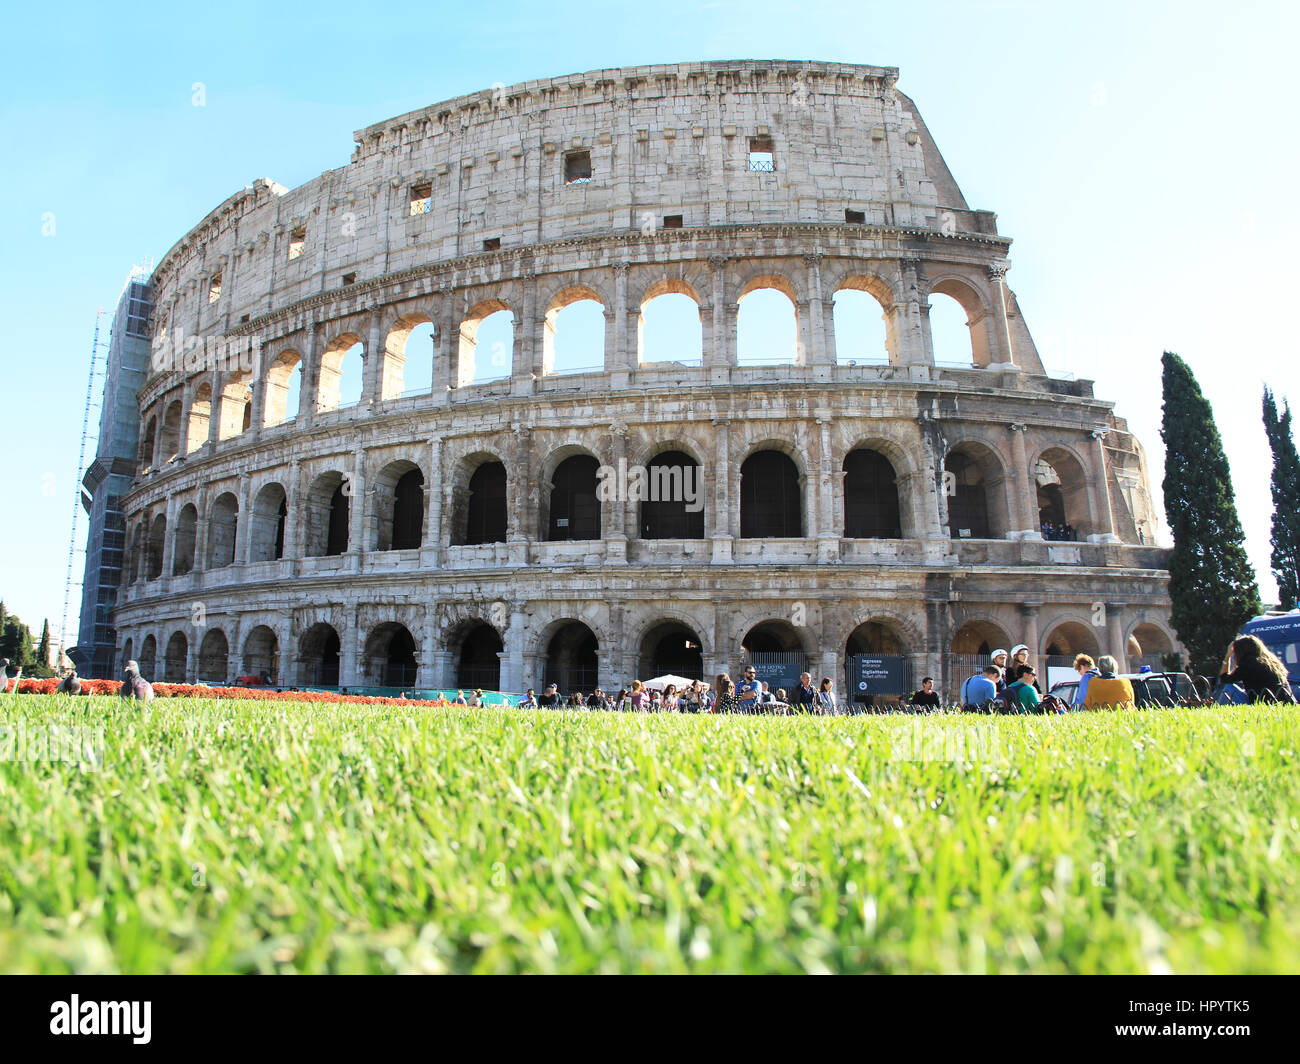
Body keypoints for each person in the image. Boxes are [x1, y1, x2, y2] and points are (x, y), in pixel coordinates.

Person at [1219, 636, 1297, 703]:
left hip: (1264, 701)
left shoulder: (1247, 664)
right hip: (1284, 700)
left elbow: (1224, 679)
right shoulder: (1271, 662)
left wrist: (1228, 656)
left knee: (1229, 687)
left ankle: (1217, 710)